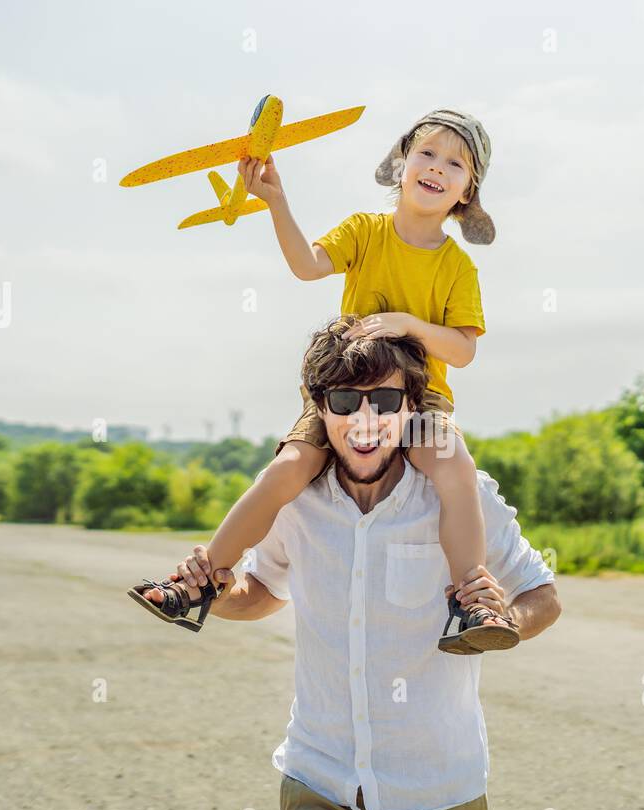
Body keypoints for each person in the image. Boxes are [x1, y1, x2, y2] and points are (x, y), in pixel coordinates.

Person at [144, 320, 562, 810]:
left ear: (412, 407)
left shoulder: (460, 494)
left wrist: (507, 618)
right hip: (323, 793)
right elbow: (262, 591)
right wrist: (217, 593)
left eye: (386, 400)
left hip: (441, 801)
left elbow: (543, 596)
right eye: (345, 399)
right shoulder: (294, 500)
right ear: (320, 408)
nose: (367, 420)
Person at [198, 107, 516, 648]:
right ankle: (201, 579)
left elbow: (462, 351)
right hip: (343, 395)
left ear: (467, 190)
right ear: (401, 165)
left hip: (418, 400)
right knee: (286, 469)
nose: (437, 167)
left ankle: (472, 601)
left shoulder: (456, 266)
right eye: (427, 153)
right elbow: (307, 265)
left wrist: (408, 326)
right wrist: (276, 200)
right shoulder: (364, 231)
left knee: (455, 469)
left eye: (456, 164)